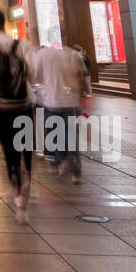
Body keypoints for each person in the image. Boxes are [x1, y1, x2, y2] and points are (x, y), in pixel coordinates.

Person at [0, 10, 35, 218]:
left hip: (2, 106)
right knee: (26, 145)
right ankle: (28, 175)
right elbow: (33, 72)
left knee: (9, 149)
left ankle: (18, 198)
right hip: (24, 103)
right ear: (4, 23)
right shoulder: (22, 45)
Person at [28, 43, 91, 183]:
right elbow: (81, 76)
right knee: (70, 136)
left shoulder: (41, 55)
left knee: (53, 134)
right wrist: (83, 94)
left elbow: (35, 77)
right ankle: (76, 172)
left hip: (51, 102)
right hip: (69, 103)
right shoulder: (71, 54)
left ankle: (61, 159)